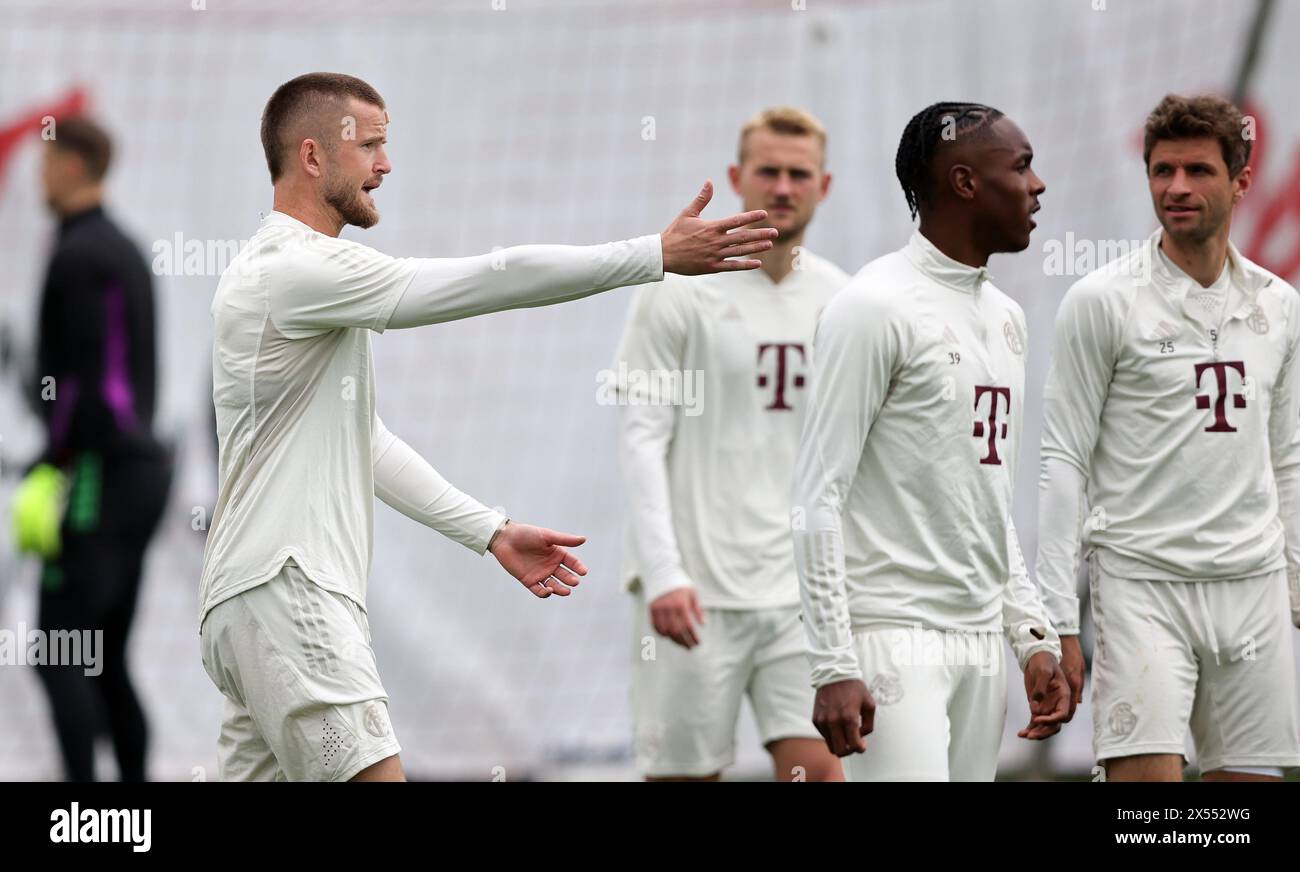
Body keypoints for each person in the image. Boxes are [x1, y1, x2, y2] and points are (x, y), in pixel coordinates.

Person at [198, 72, 777, 782]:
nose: (387, 164)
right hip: (289, 587)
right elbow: (494, 278)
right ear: (314, 157)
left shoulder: (274, 271)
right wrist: (651, 255)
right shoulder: (297, 267)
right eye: (371, 146)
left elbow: (363, 444)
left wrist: (490, 530)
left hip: (245, 601)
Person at [791, 102, 1069, 781]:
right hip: (892, 640)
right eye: (1023, 166)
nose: (1038, 187)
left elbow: (985, 499)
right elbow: (815, 498)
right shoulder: (873, 306)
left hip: (979, 647)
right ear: (966, 183)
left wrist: (1029, 637)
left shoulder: (1007, 318)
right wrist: (834, 662)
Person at [1035, 94, 1300, 782]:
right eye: (1161, 171)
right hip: (1142, 587)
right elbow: (1063, 459)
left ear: (1241, 181)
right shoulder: (1102, 300)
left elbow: (1289, 457)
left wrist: (1296, 585)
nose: (1177, 188)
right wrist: (1058, 619)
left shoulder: (1281, 305)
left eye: (1197, 171)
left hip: (1254, 588)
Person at [617, 107, 849, 781]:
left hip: (800, 596)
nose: (782, 186)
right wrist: (663, 572)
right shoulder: (678, 289)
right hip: (695, 596)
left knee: (823, 773)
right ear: (736, 177)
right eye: (767, 171)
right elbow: (640, 437)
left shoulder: (846, 301)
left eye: (798, 173)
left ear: (823, 185)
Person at [12, 115, 173, 781]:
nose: (38, 177)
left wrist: (55, 463)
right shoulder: (124, 247)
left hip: (101, 478)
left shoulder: (78, 255)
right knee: (101, 658)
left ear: (75, 164)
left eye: (46, 162)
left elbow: (82, 389)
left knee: (57, 653)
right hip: (137, 475)